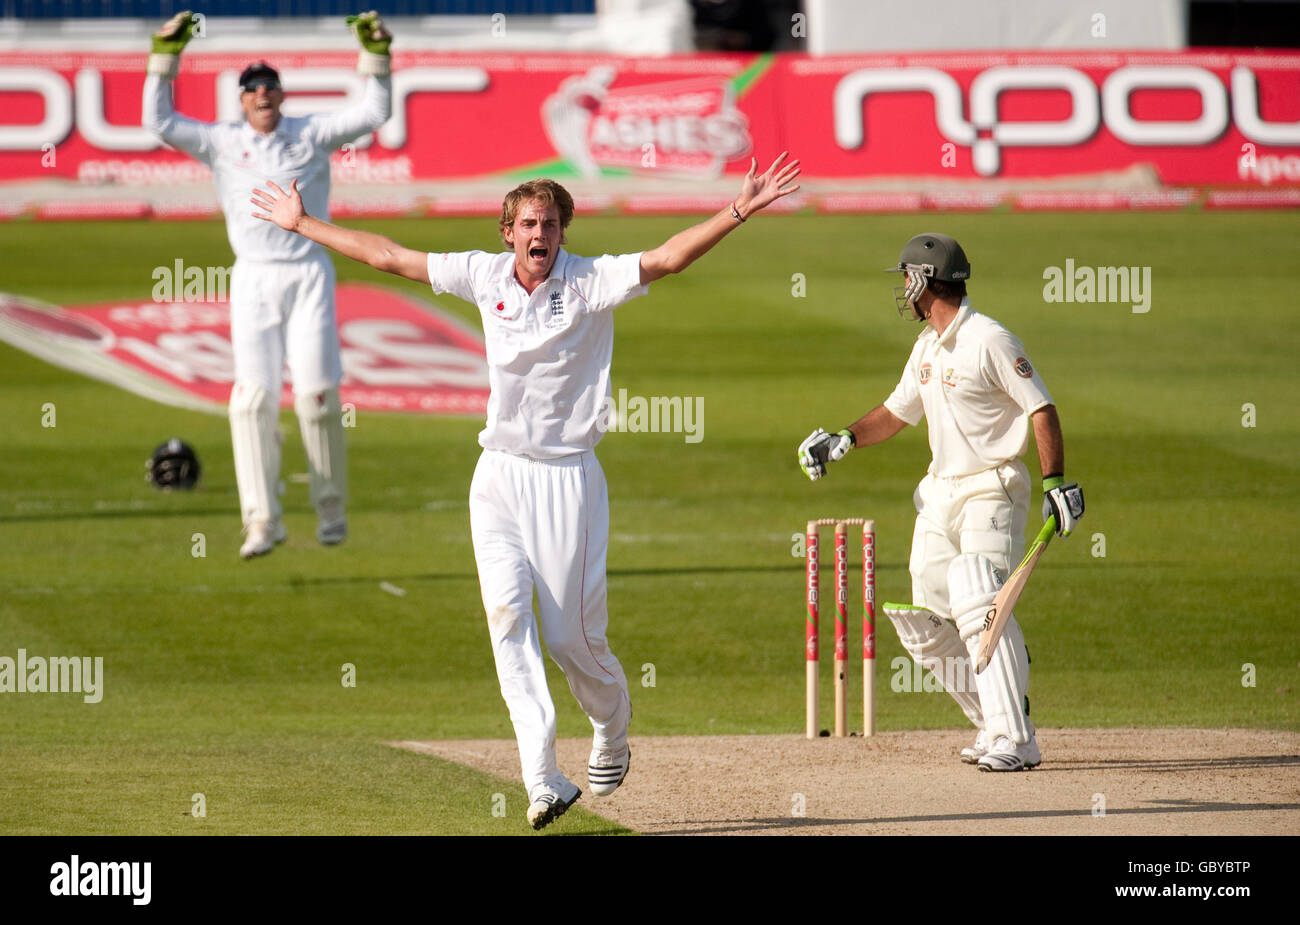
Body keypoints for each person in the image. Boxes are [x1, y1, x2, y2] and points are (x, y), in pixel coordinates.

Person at [250, 157, 801, 826]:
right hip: (499, 475)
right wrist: (303, 222)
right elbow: (391, 256)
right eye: (529, 223)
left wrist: (737, 210)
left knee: (571, 637)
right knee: (508, 620)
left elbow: (665, 259)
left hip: (569, 477)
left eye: (551, 223)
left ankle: (611, 723)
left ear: (564, 230)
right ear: (508, 231)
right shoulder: (484, 274)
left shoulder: (590, 281)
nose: (541, 233)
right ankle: (542, 776)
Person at [798, 233, 1084, 771]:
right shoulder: (927, 347)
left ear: (926, 281)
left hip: (991, 487)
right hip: (940, 493)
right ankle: (993, 722)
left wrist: (1056, 482)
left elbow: (1040, 408)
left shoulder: (989, 339)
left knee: (979, 600)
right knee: (923, 624)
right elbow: (896, 412)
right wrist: (846, 438)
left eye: (907, 277)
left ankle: (1016, 739)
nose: (903, 289)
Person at [142, 10, 394, 559]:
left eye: (270, 87)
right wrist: (167, 54)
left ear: (281, 96)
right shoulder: (221, 140)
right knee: (251, 401)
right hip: (254, 275)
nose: (262, 94)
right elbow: (158, 123)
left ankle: (330, 507)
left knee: (317, 399)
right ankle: (262, 520)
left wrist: (374, 51)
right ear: (241, 100)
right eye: (252, 89)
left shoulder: (311, 133)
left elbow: (376, 109)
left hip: (308, 273)